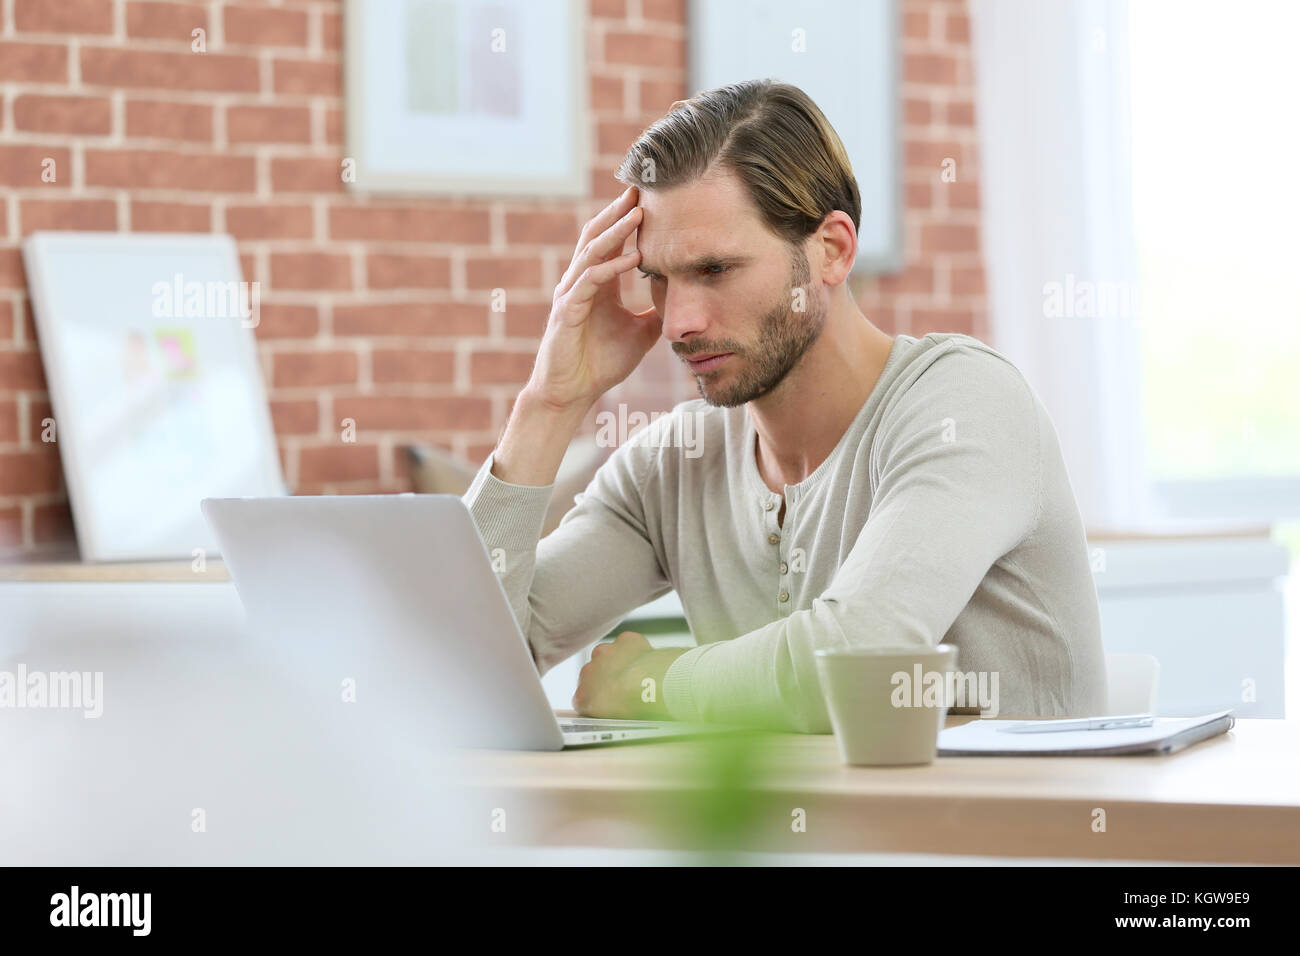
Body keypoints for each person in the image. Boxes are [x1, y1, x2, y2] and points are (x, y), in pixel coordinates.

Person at [462, 79, 1107, 732]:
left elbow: (861, 661)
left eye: (714, 270)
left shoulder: (965, 405)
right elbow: (455, 667)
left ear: (832, 250)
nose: (678, 321)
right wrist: (550, 402)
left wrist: (657, 682)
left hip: (1008, 833)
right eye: (657, 277)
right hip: (807, 838)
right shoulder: (678, 464)